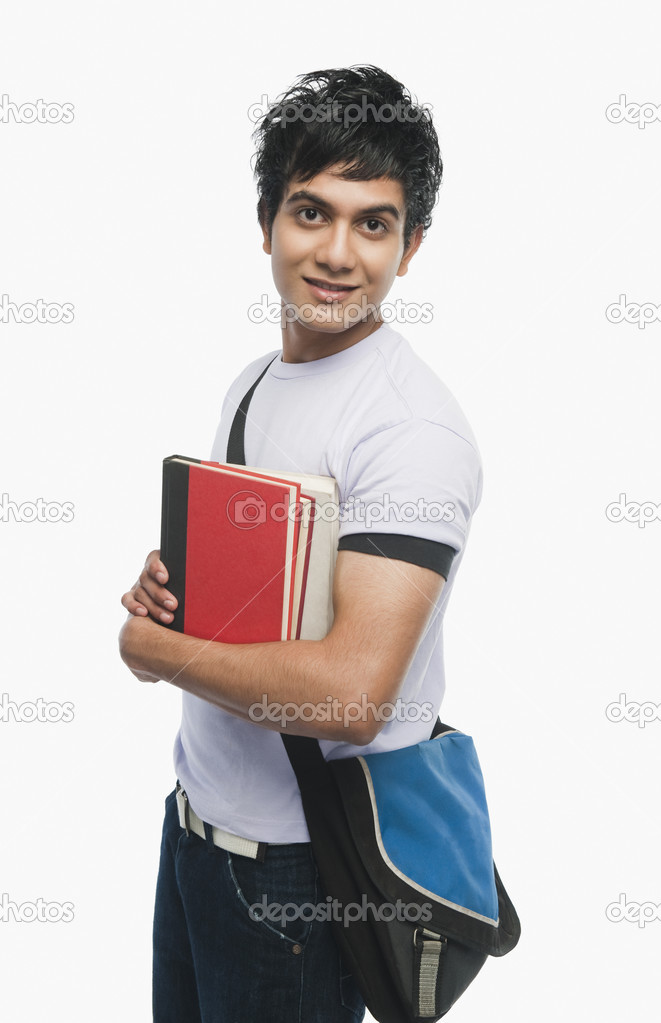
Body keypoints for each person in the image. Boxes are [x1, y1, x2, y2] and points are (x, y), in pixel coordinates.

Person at [119, 64, 483, 1023]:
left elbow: (353, 697)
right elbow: (258, 599)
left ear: (411, 249)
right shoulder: (252, 380)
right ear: (266, 225)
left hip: (296, 878)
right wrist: (170, 595)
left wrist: (158, 651)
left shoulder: (410, 431)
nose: (336, 252)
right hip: (194, 830)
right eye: (310, 212)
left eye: (374, 222)